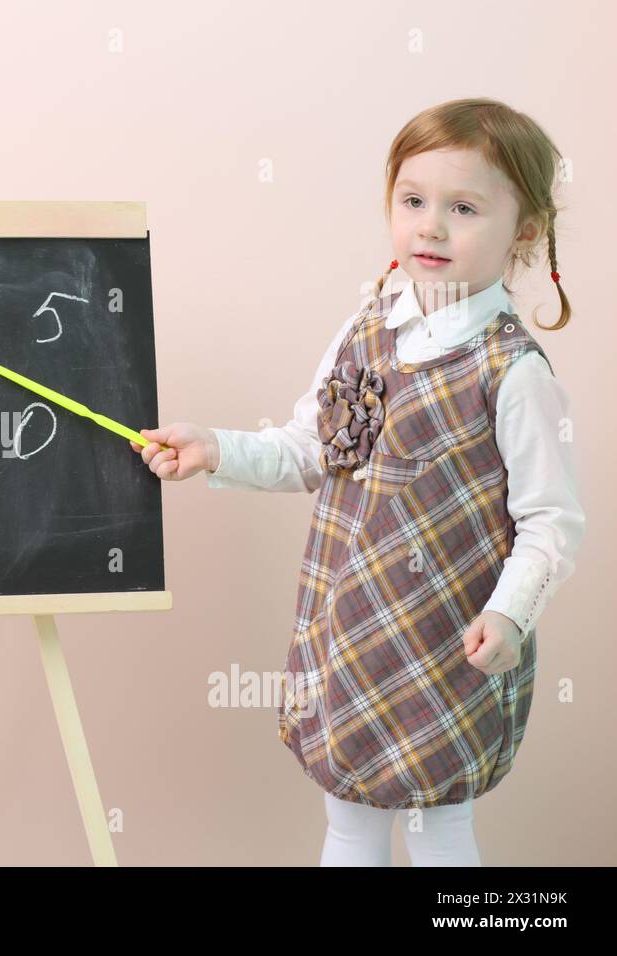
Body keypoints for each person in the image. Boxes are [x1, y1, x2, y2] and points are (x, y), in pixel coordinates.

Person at [132, 99, 584, 866]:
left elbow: (551, 522)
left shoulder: (510, 372)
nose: (431, 227)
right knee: (348, 822)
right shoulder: (365, 328)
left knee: (439, 821)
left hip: (451, 641)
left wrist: (509, 616)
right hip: (349, 634)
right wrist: (216, 448)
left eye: (464, 208)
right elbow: (311, 449)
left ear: (527, 231)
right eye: (413, 202)